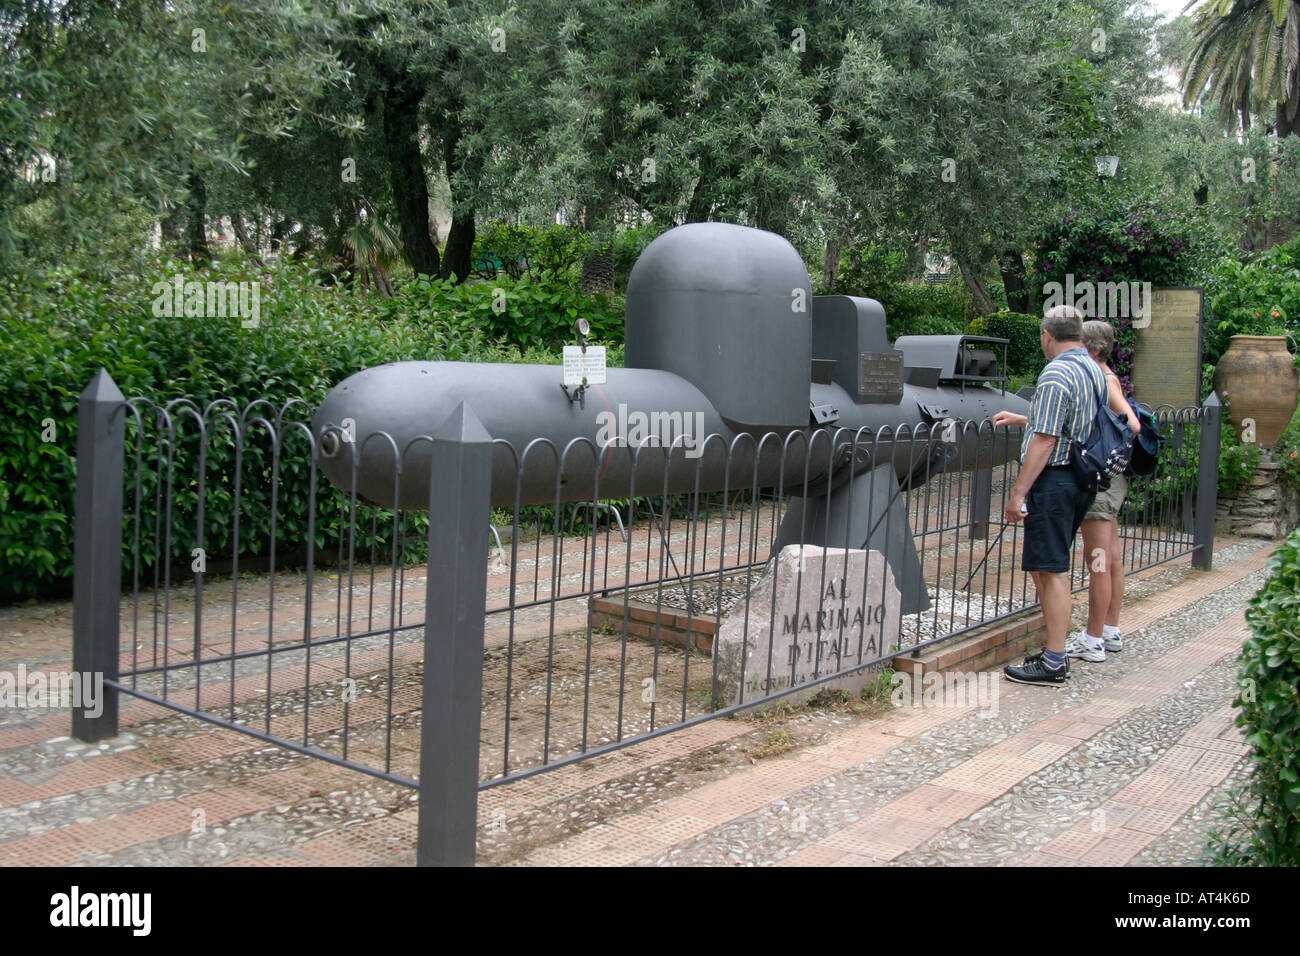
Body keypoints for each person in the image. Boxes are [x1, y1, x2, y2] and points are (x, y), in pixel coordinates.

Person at [991, 305, 1107, 686]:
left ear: (1046, 335)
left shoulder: (1057, 372)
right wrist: (1024, 418)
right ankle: (1054, 648)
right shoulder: (1091, 368)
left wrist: (1018, 493)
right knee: (1048, 566)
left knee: (1052, 570)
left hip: (1055, 480)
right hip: (1080, 477)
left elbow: (1045, 439)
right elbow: (1069, 421)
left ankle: (1055, 660)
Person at [1067, 320, 1141, 663]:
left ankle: (1092, 639)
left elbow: (1132, 424)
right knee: (1110, 558)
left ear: (1094, 350)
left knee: (1097, 561)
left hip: (1101, 480)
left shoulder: (1104, 380)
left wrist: (1101, 448)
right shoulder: (1105, 377)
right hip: (1111, 480)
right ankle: (1109, 630)